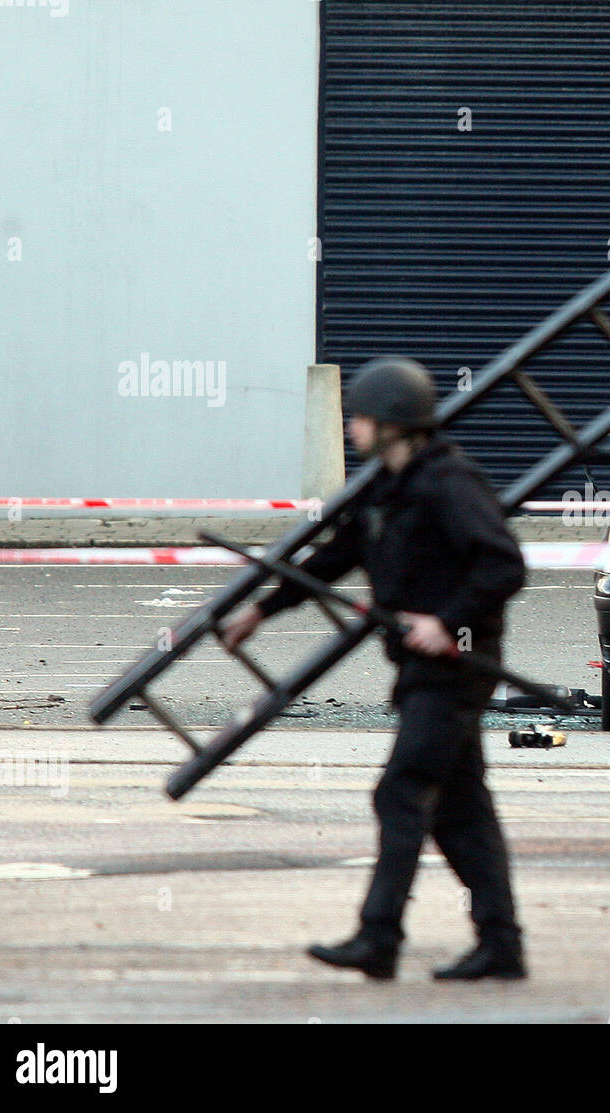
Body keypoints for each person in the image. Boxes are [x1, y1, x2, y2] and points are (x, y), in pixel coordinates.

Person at [221, 356, 528, 982]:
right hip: (421, 668)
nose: (352, 429)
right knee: (462, 809)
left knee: (401, 792)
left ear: (392, 423)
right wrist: (262, 610)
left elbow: (503, 564)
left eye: (359, 418)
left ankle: (379, 937)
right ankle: (501, 946)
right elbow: (334, 559)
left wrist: (448, 619)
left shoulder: (449, 483)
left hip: (455, 665)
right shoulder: (386, 488)